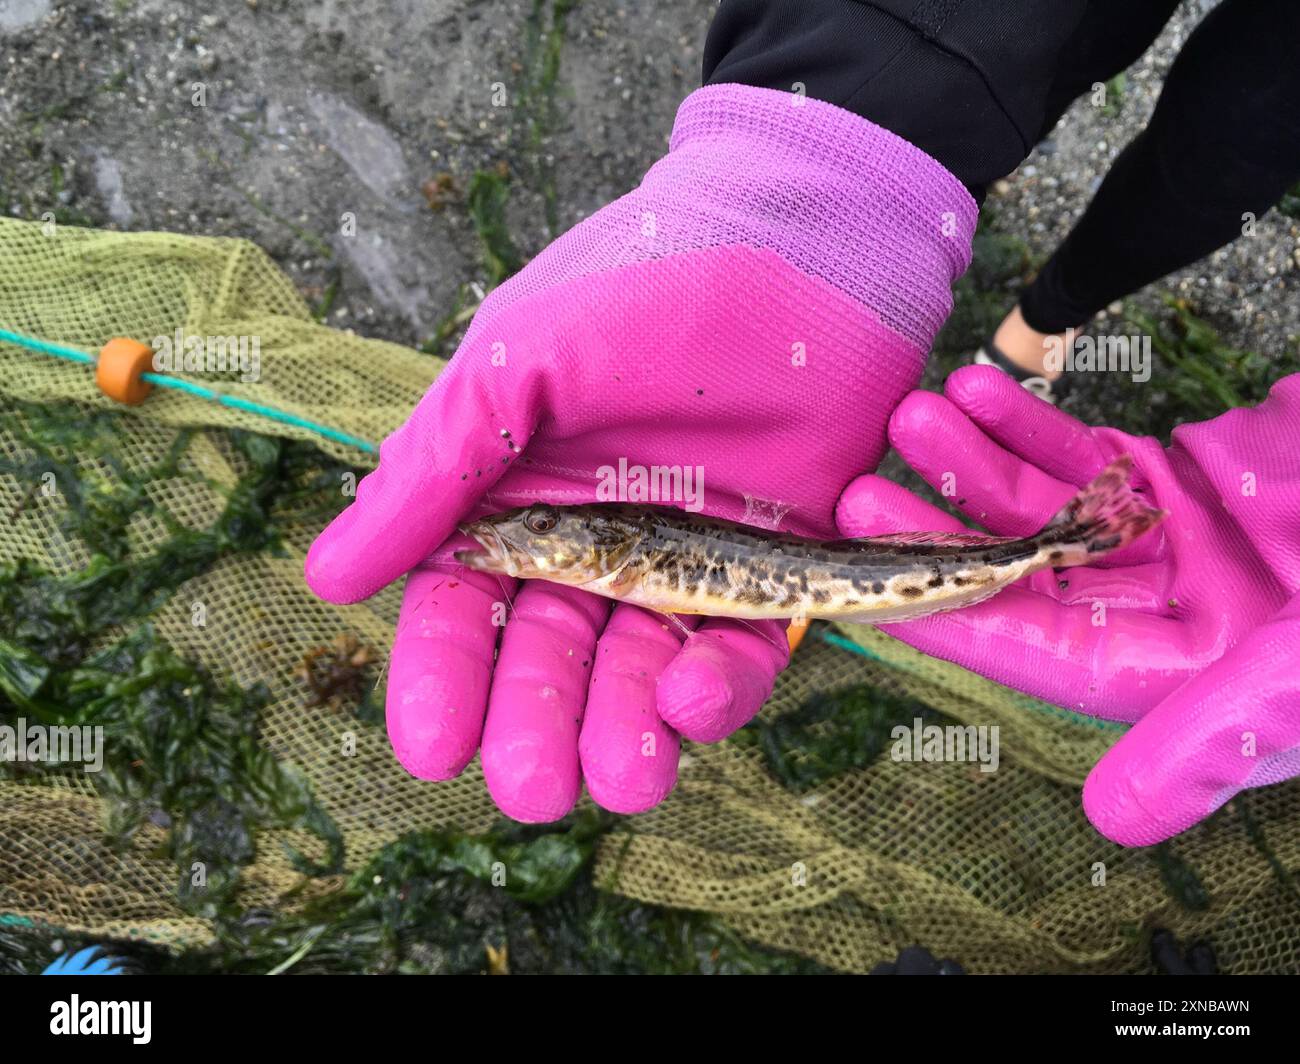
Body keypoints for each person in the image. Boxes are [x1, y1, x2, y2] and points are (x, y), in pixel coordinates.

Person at [306, 0, 1300, 844]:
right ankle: (1046, 318)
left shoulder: (604, 543)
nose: (516, 541)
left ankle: (1058, 311)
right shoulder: (604, 539)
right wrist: (838, 148)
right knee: (1242, 127)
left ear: (595, 545)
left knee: (1239, 134)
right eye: (530, 538)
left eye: (534, 535)